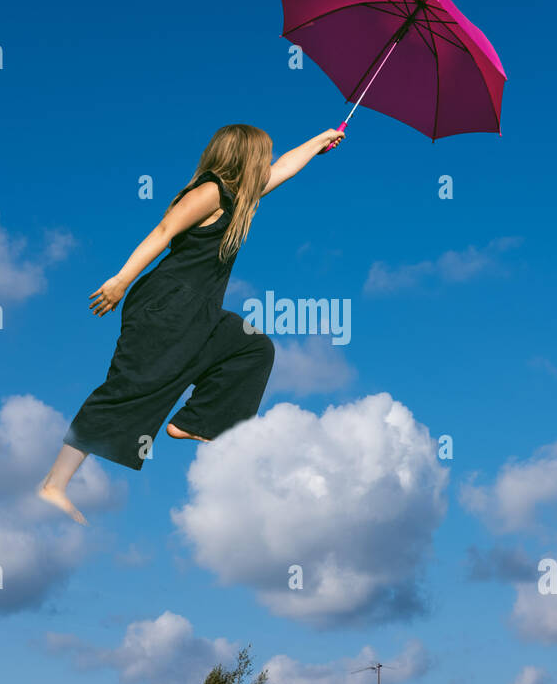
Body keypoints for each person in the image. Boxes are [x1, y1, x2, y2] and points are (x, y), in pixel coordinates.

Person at [37, 123, 345, 524]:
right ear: (245, 157)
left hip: (200, 310)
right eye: (263, 154)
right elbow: (164, 231)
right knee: (128, 388)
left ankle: (195, 422)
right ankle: (53, 486)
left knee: (252, 348)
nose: (268, 161)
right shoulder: (211, 192)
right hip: (165, 304)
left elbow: (285, 168)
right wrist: (120, 281)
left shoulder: (240, 198)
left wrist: (321, 141)